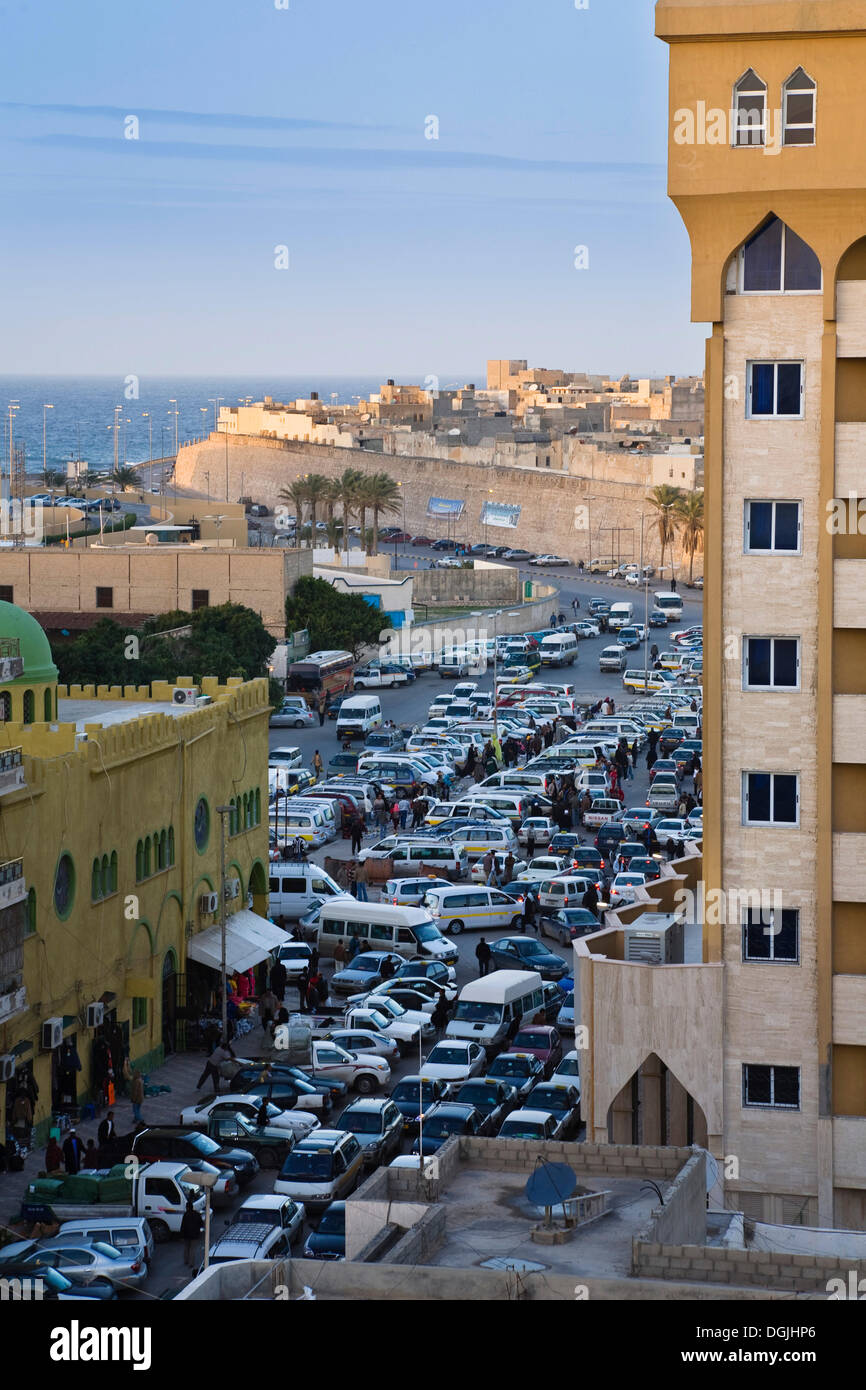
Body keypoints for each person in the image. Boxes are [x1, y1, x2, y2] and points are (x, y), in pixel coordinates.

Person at [181, 1195, 204, 1269]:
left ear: (187, 1207)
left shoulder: (185, 1215)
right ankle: (191, 1263)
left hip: (186, 1235)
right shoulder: (197, 1214)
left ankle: (186, 1261)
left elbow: (183, 1225)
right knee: (192, 1249)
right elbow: (201, 1224)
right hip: (195, 1235)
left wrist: (182, 1235)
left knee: (186, 1248)